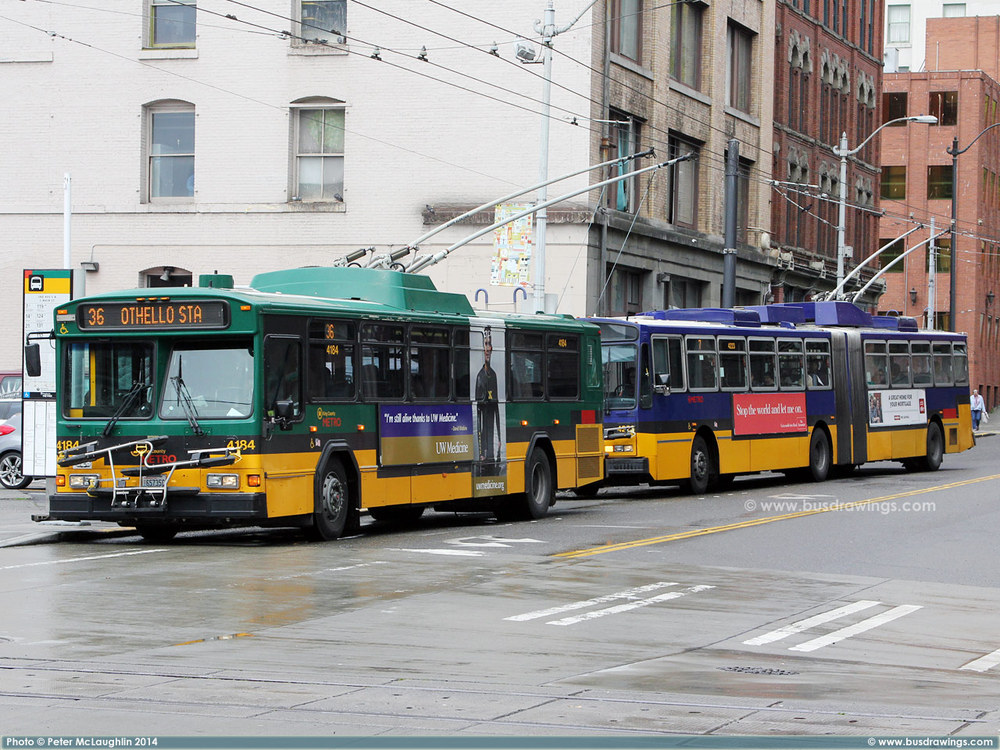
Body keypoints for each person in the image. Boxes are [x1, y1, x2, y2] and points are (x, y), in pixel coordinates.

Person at [476, 327, 502, 462]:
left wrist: (499, 438)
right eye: (485, 344)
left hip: (492, 430)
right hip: (483, 434)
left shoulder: (494, 375)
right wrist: (481, 449)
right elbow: (477, 414)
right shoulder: (479, 376)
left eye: (489, 344)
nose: (488, 348)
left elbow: (497, 408)